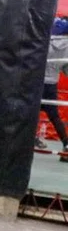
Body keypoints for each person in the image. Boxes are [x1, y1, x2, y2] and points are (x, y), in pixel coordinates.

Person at [37, 18, 68, 161]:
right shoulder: (67, 45)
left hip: (37, 81)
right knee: (54, 116)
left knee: (29, 112)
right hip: (51, 83)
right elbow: (65, 67)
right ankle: (66, 144)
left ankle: (26, 140)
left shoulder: (44, 40)